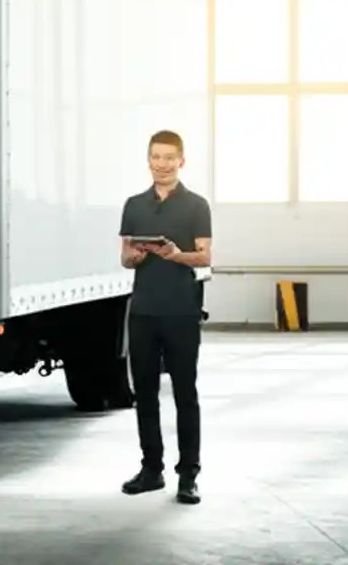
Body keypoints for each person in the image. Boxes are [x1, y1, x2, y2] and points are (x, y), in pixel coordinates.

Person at [117, 129, 211, 505]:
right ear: (149, 160)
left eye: (170, 157)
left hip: (182, 312)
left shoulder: (196, 206)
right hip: (142, 312)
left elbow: (205, 257)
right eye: (156, 157)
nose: (162, 163)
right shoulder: (134, 204)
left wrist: (174, 254)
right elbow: (124, 257)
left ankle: (188, 475)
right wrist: (137, 256)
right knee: (146, 395)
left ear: (181, 161)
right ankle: (151, 469)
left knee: (185, 395)